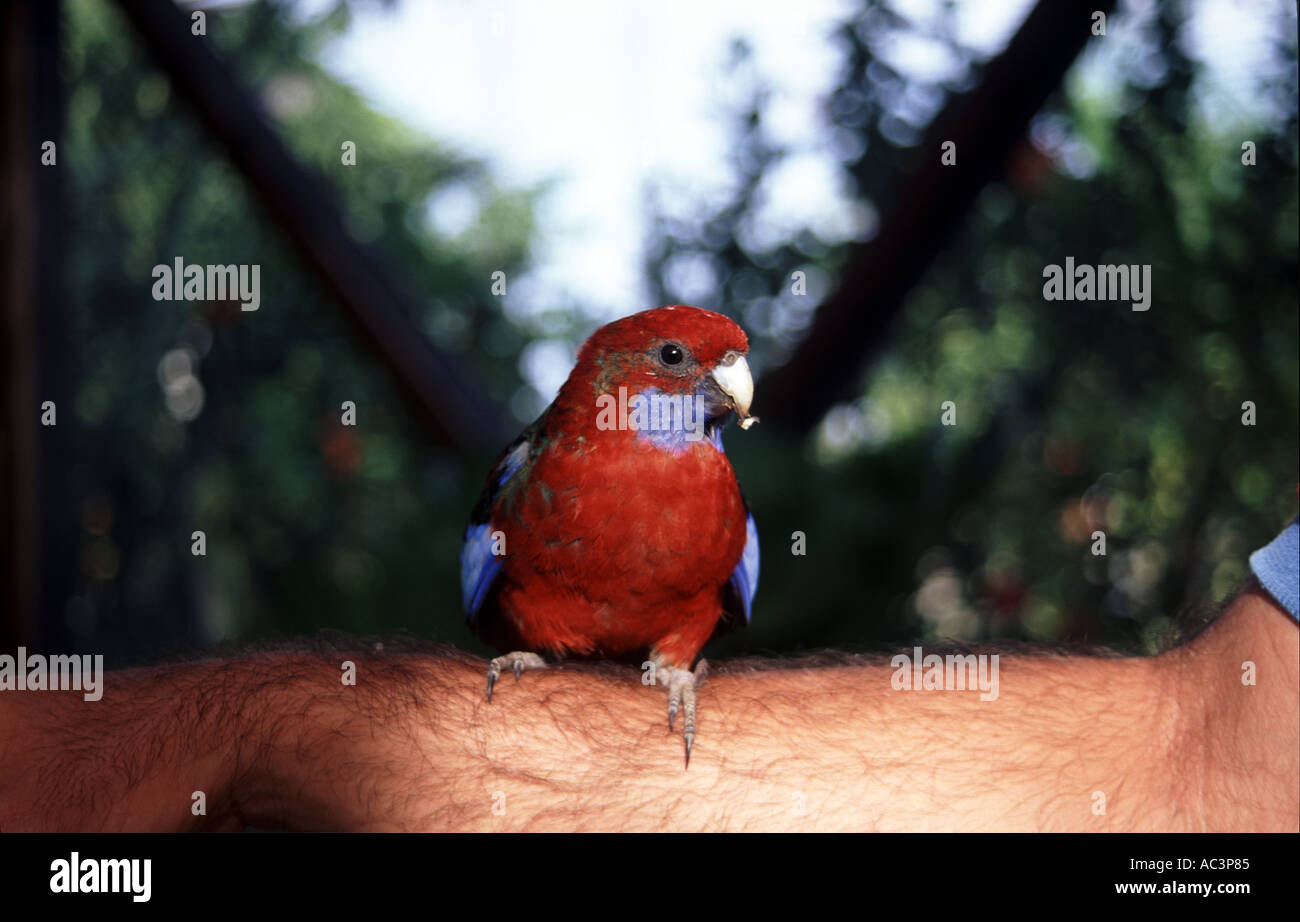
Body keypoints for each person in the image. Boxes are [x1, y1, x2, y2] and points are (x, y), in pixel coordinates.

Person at [1, 520, 1295, 832]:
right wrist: (290, 733)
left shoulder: (720, 519)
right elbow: (1201, 760)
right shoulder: (529, 493)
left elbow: (1206, 776)